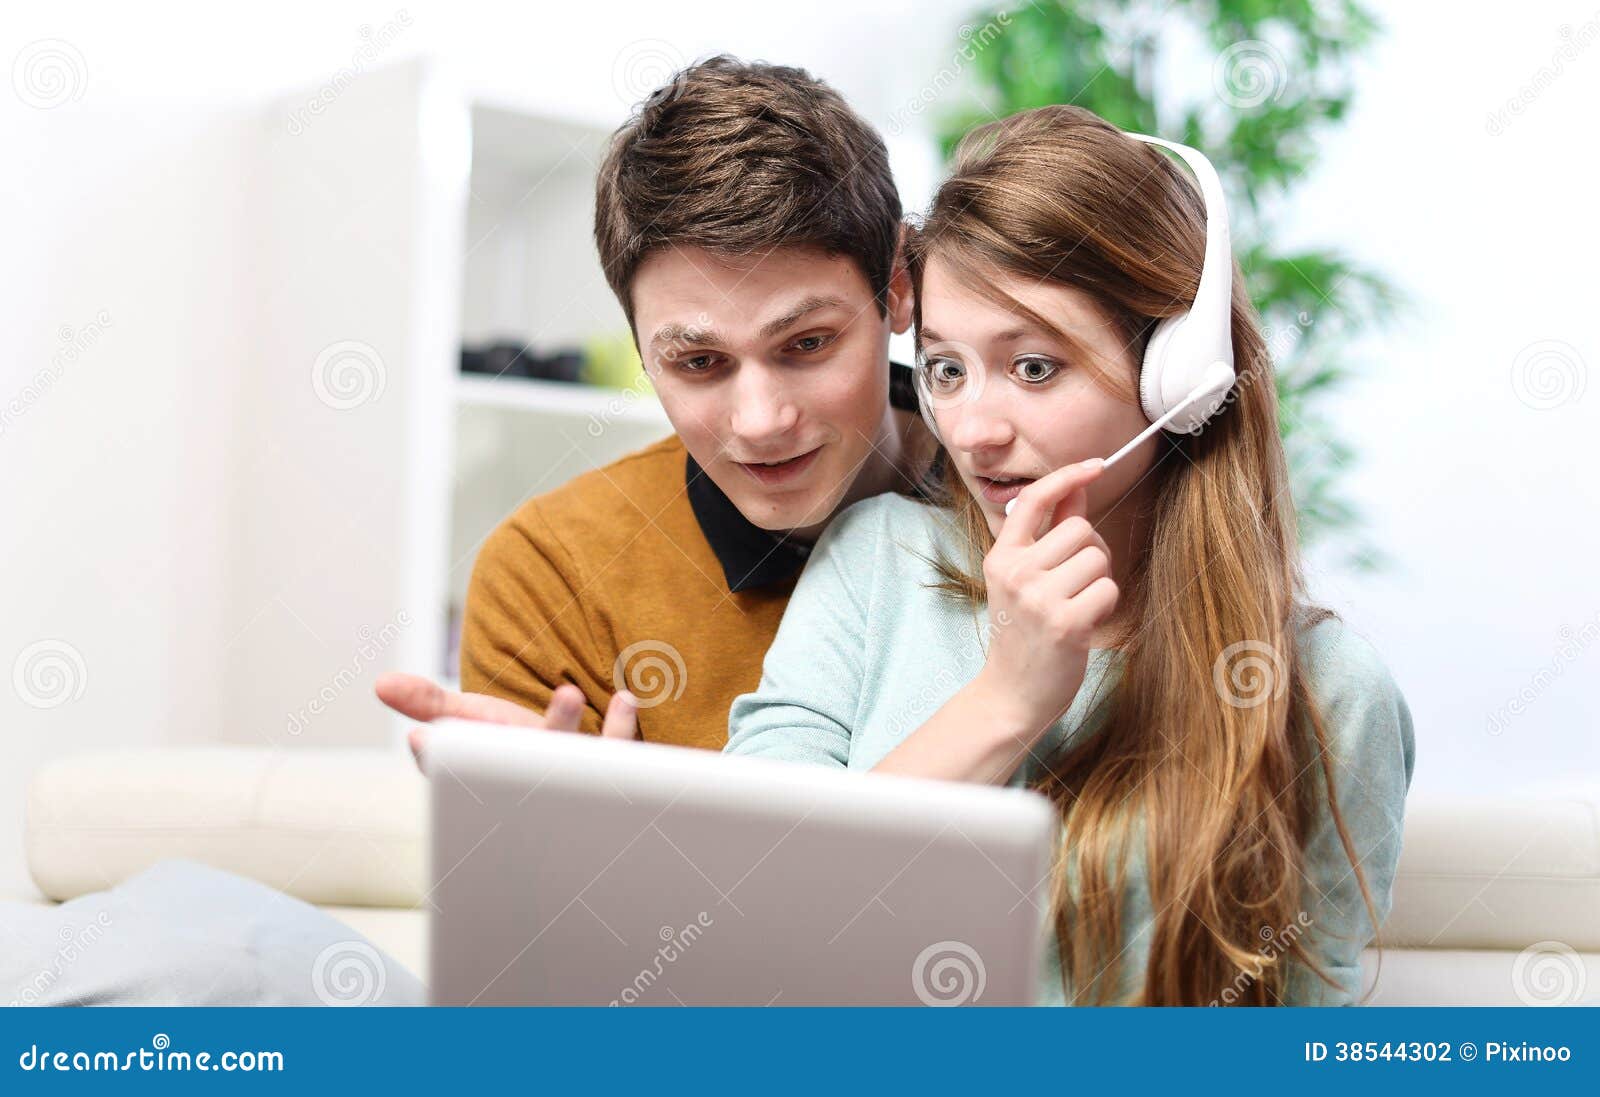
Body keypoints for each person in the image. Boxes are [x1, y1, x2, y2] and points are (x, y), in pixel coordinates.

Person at [725, 104, 1416, 1006]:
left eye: (1035, 366)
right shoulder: (875, 563)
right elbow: (748, 909)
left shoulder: (1326, 693)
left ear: (1181, 376)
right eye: (946, 368)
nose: (971, 430)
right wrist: (1004, 701)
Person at [378, 56, 938, 751]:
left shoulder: (1051, 501)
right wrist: (575, 851)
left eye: (807, 343)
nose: (761, 421)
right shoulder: (553, 578)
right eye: (700, 363)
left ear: (900, 288)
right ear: (640, 346)